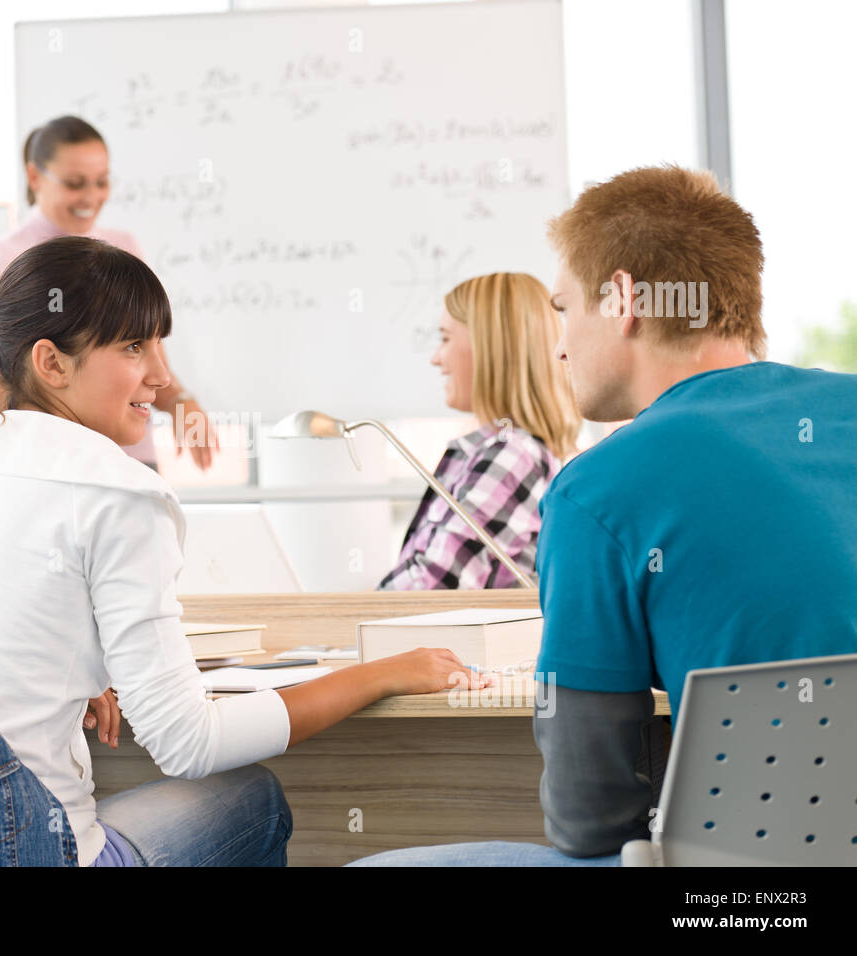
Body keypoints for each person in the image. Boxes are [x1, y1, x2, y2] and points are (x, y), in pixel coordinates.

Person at [0, 235, 489, 867]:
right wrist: (384, 673)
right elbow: (189, 743)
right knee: (255, 797)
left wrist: (74, 673)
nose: (162, 375)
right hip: (46, 849)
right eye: (133, 346)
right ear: (51, 362)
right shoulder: (118, 488)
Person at [350, 164, 857, 866]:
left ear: (622, 300)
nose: (557, 344)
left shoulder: (602, 489)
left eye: (562, 308)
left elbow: (589, 820)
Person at [0, 114, 216, 473]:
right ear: (34, 177)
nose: (91, 197)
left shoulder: (123, 247)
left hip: (131, 459)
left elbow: (146, 352)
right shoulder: (0, 261)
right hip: (52, 467)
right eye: (75, 183)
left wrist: (181, 403)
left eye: (101, 182)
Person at [378, 273, 580, 590]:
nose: (436, 358)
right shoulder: (492, 451)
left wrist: (334, 616)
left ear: (490, 349)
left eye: (445, 338)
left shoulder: (512, 456)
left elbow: (430, 588)